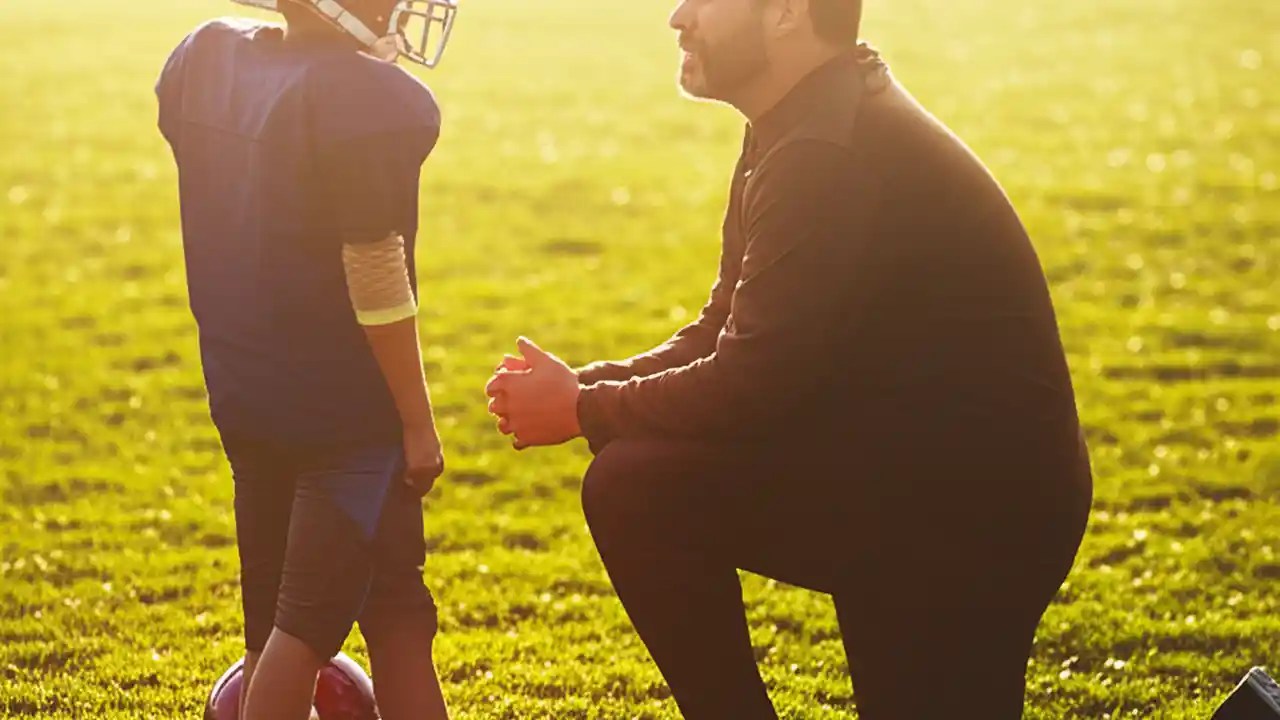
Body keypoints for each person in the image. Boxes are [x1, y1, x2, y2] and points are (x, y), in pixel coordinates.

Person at [484, 0, 1093, 717]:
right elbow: (726, 329)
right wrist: (585, 386)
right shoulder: (807, 116)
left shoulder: (823, 149)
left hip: (966, 520)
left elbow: (751, 383)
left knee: (638, 483)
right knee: (638, 482)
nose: (679, 17)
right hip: (902, 485)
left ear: (786, 14)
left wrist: (584, 407)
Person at [156, 1, 457, 718]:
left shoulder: (206, 60)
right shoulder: (368, 101)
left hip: (248, 394)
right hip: (346, 419)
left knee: (393, 618)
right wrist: (417, 422)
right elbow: (377, 274)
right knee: (301, 636)